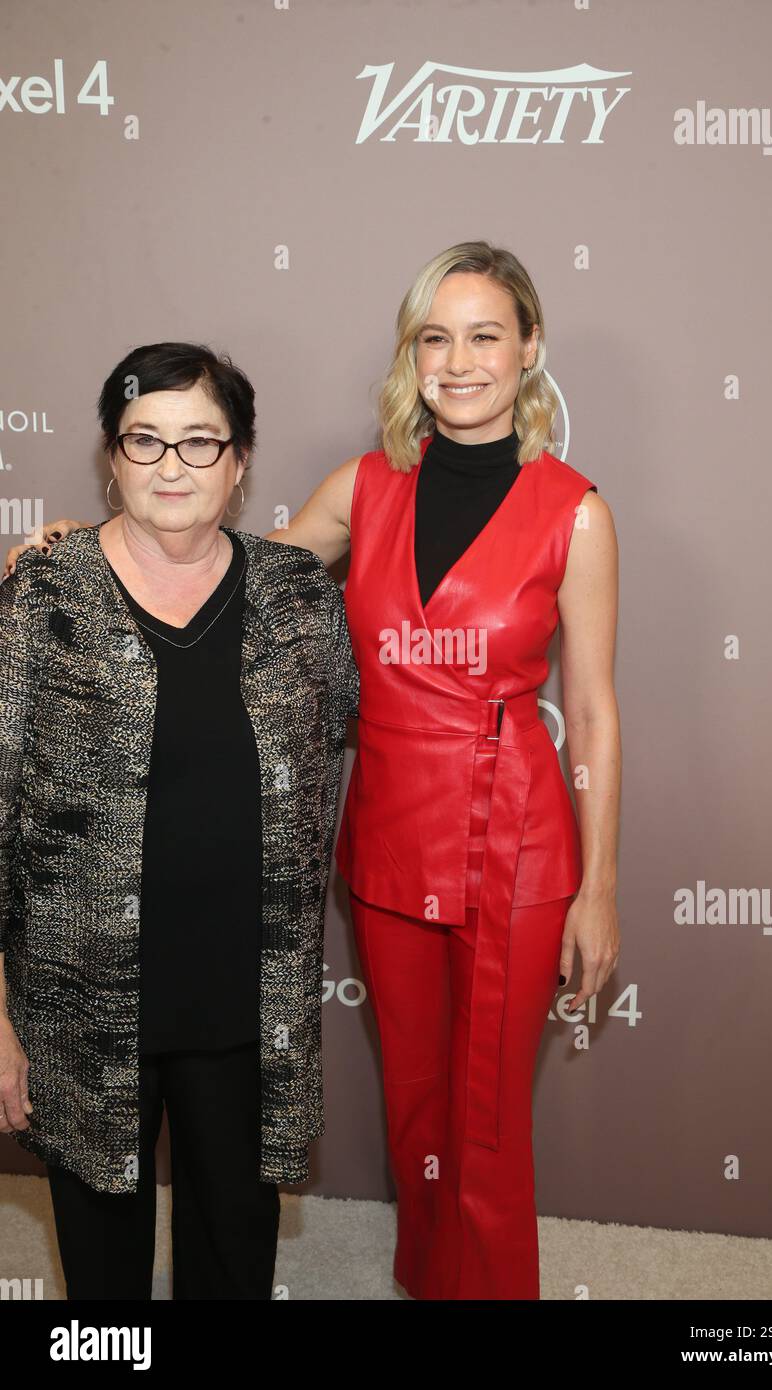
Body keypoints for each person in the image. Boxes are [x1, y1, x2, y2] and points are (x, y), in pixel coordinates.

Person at [8, 240, 621, 1301]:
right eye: (435, 336)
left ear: (529, 350)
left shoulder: (575, 510)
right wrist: (77, 551)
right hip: (385, 840)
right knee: (420, 1116)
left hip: (514, 835)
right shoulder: (363, 489)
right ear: (410, 354)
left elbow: (597, 713)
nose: (459, 360)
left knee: (483, 1123)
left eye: (485, 335)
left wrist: (600, 885)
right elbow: (222, 570)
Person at [0, 342, 358, 1300]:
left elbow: (354, 749)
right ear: (110, 460)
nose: (171, 465)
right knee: (104, 1267)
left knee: (236, 1240)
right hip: (82, 1004)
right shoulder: (42, 594)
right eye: (144, 440)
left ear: (240, 463)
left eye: (200, 442)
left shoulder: (298, 596)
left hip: (248, 997)